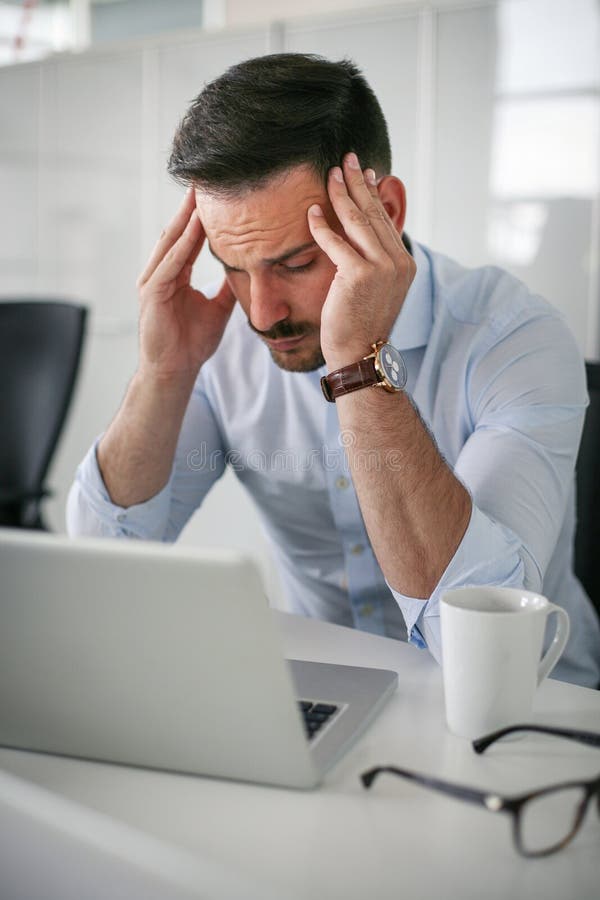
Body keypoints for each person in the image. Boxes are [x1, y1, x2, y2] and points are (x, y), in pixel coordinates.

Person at [67, 53, 600, 687]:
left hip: (532, 710)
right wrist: (163, 372)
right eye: (234, 267)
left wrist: (359, 364)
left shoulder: (514, 337)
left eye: (296, 264)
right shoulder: (221, 340)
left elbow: (479, 644)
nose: (262, 313)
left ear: (386, 213)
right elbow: (102, 567)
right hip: (320, 692)